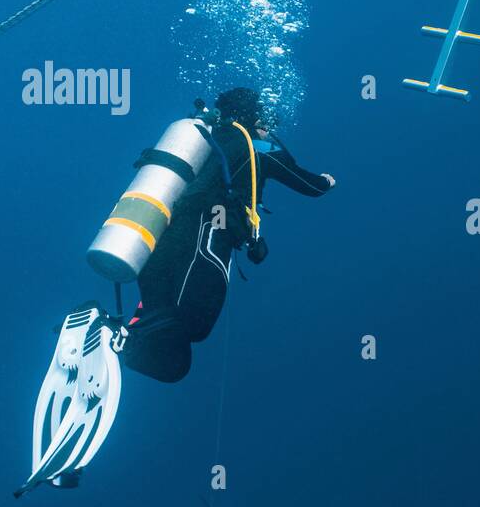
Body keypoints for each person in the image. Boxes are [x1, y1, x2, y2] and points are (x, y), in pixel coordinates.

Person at [118, 87, 335, 383]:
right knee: (194, 324)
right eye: (265, 120)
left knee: (165, 319)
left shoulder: (207, 141)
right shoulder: (257, 146)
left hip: (164, 234)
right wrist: (326, 182)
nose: (269, 128)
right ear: (253, 116)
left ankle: (114, 334)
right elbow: (307, 184)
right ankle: (114, 334)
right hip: (204, 239)